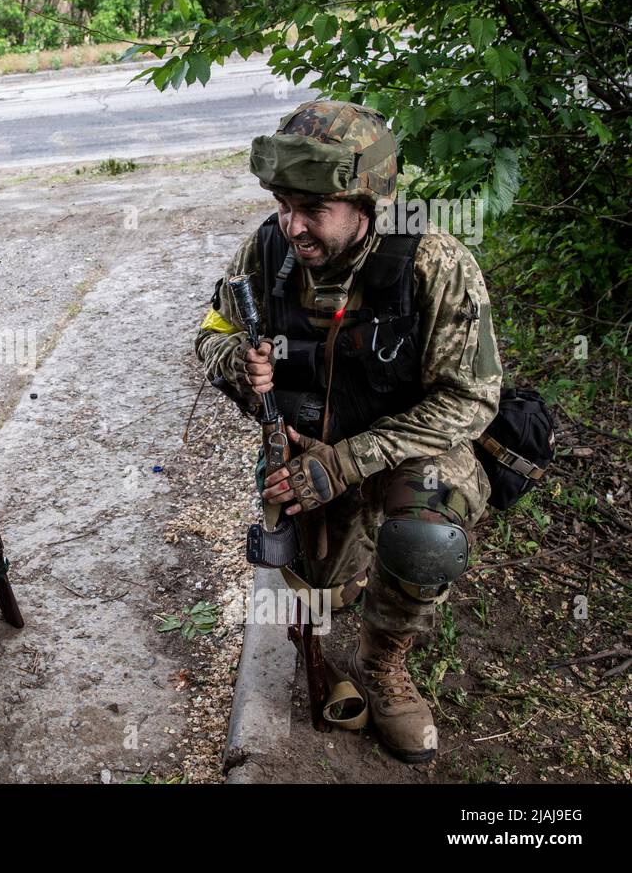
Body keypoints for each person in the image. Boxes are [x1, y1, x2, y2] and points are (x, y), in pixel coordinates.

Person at [195, 100, 503, 762]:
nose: (292, 225)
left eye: (313, 210)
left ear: (368, 203)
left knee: (426, 531)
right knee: (317, 585)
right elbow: (211, 331)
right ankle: (343, 584)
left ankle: (384, 661)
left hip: (400, 454)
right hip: (305, 450)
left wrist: (350, 463)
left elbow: (470, 401)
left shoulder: (434, 263)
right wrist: (238, 368)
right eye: (282, 204)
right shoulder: (269, 249)